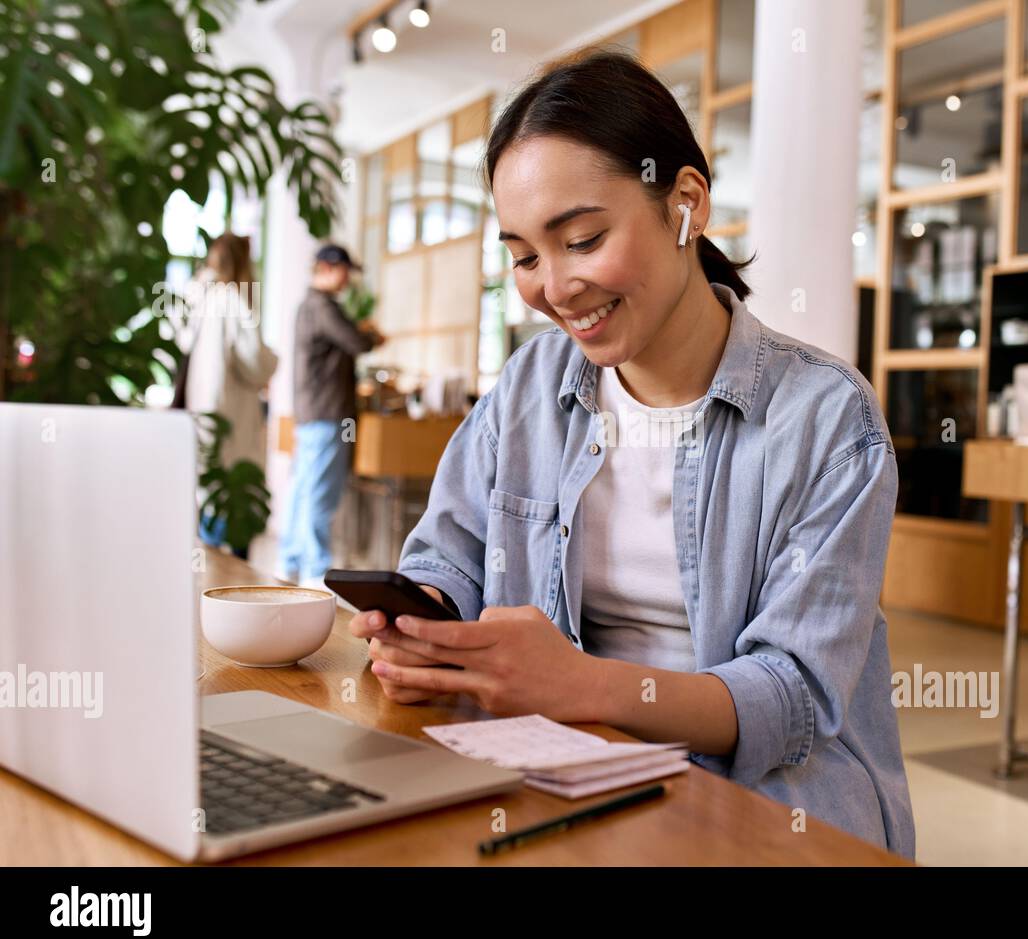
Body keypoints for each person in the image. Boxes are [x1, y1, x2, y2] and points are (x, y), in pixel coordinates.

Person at [349, 52, 914, 855]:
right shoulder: (530, 384)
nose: (553, 286)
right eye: (523, 256)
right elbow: (451, 555)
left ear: (685, 205)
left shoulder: (825, 419)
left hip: (769, 808)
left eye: (582, 239)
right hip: (566, 775)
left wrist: (577, 685)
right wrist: (429, 624)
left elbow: (792, 697)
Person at [278, 245, 385, 588]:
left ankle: (291, 561)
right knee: (320, 492)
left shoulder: (305, 307)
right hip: (328, 414)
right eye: (343, 271)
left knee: (303, 489)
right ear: (326, 267)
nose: (347, 278)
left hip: (312, 413)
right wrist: (371, 333)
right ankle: (315, 570)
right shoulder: (324, 308)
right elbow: (357, 343)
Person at [182, 233, 278, 559]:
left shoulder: (198, 298)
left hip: (202, 417)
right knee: (234, 509)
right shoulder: (233, 301)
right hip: (232, 421)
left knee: (207, 500)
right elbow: (256, 365)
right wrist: (274, 358)